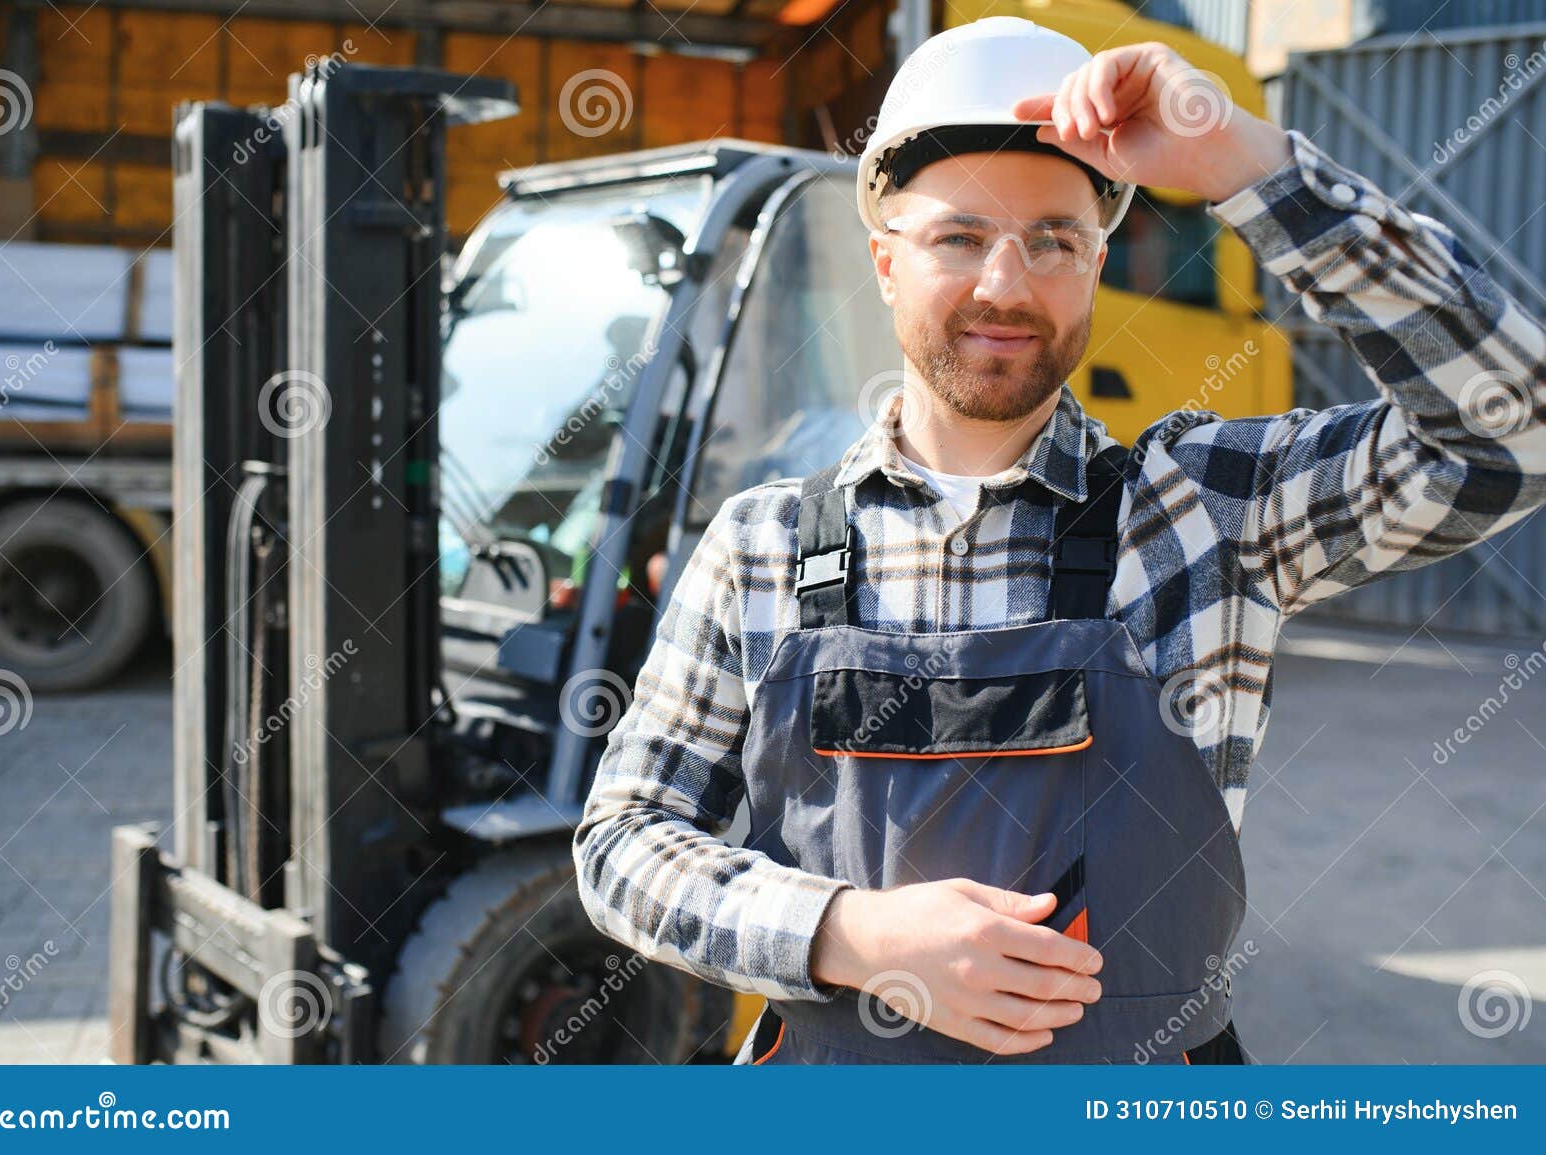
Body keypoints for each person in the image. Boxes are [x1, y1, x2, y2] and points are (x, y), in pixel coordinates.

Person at [572, 17, 1546, 1065]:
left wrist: (1247, 165)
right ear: (885, 260)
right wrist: (846, 934)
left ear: (1095, 262)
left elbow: (1510, 434)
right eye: (958, 237)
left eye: (1053, 240)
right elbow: (622, 846)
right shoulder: (760, 546)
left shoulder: (1205, 514)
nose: (1005, 285)